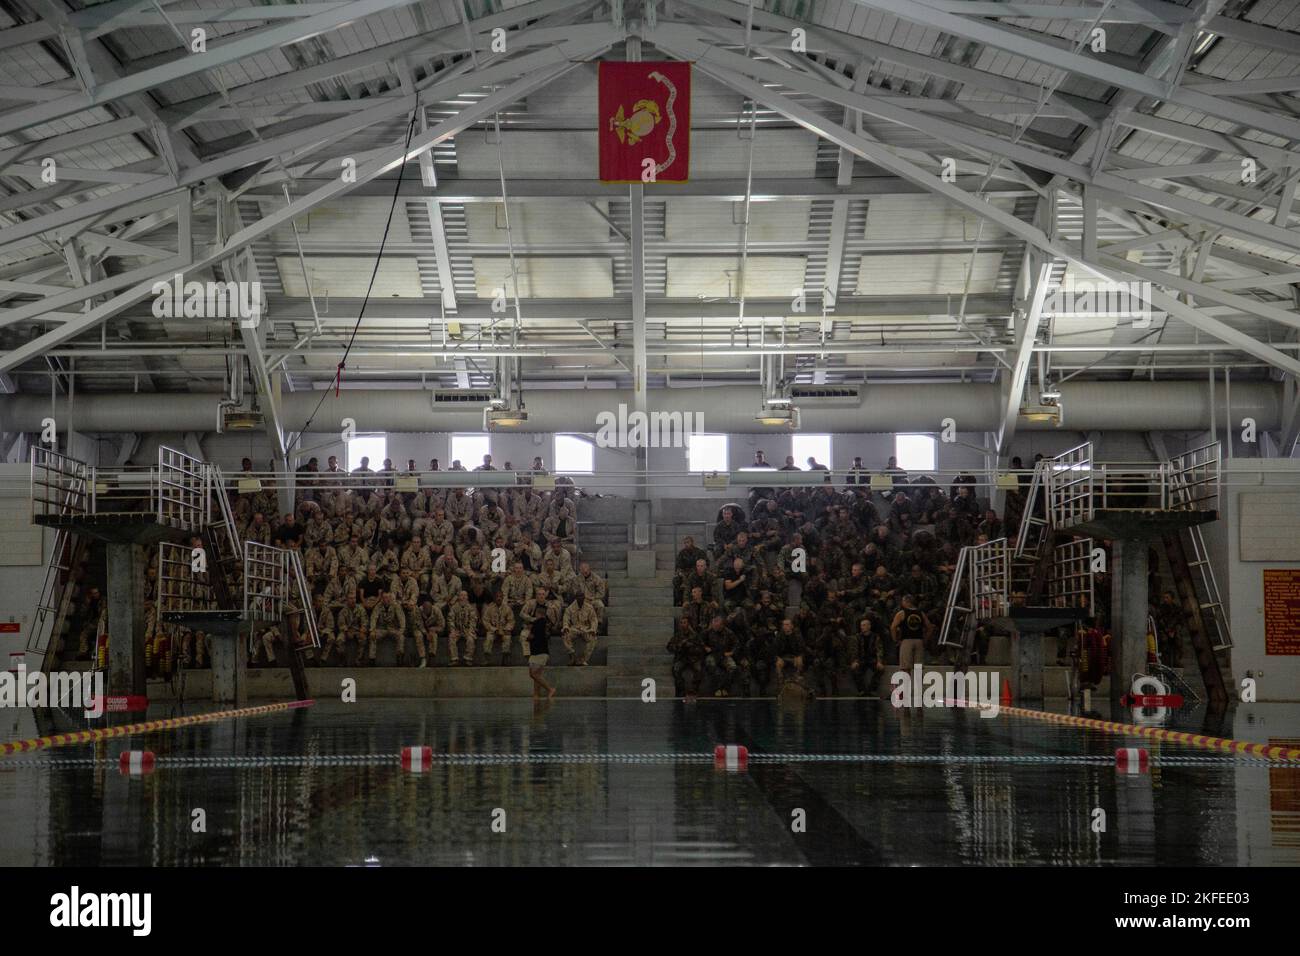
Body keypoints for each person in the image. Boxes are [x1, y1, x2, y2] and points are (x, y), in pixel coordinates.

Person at [891, 594, 932, 677]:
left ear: (906, 602)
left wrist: (895, 639)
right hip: (919, 641)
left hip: (906, 640)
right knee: (918, 668)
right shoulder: (921, 613)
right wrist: (925, 640)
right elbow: (930, 627)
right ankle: (919, 689)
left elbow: (893, 627)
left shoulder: (901, 613)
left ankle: (906, 689)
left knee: (905, 668)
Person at [527, 601, 557, 700]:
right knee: (537, 676)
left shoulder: (538, 623)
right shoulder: (546, 624)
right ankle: (536, 695)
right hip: (539, 652)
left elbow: (531, 636)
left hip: (540, 652)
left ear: (537, 614)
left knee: (533, 674)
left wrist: (529, 636)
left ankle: (550, 689)